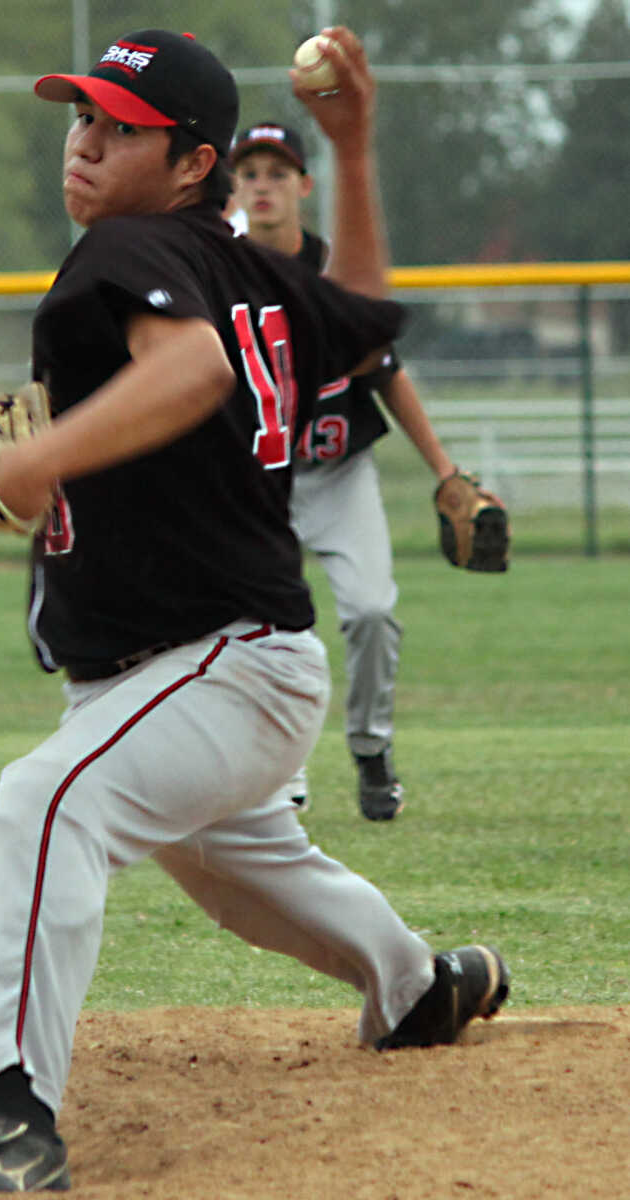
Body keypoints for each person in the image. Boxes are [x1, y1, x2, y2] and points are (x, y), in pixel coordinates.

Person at [0, 27, 509, 1193]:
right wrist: (356, 148)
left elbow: (192, 376)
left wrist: (30, 468)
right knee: (244, 863)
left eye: (117, 129)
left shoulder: (124, 251)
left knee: (43, 804)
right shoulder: (235, 262)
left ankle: (15, 1119)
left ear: (191, 164)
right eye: (78, 120)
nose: (80, 144)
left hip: (213, 663)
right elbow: (365, 311)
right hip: (213, 668)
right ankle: (419, 989)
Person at [230, 119, 461, 821]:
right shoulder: (219, 270)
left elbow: (389, 373)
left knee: (371, 611)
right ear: (233, 186)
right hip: (257, 481)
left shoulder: (337, 273)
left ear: (305, 185)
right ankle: (280, 774)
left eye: (278, 172)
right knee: (269, 627)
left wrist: (445, 472)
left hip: (340, 473)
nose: (264, 185)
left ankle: (371, 750)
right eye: (250, 173)